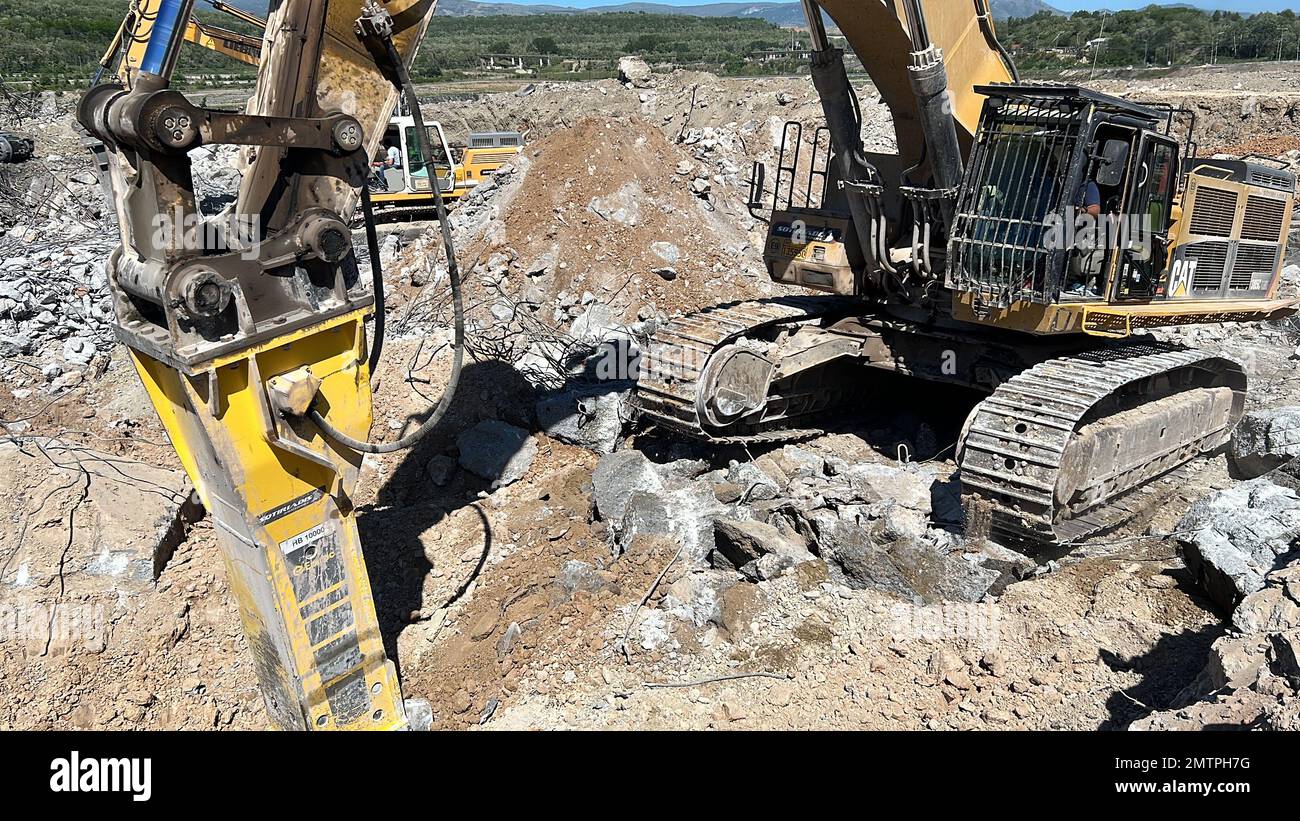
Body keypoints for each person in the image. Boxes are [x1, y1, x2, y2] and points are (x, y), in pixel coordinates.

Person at [1067, 173, 1105, 297]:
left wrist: (1081, 211)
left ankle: (1077, 283)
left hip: (1079, 233)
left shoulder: (1087, 185)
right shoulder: (1056, 180)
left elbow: (1095, 210)